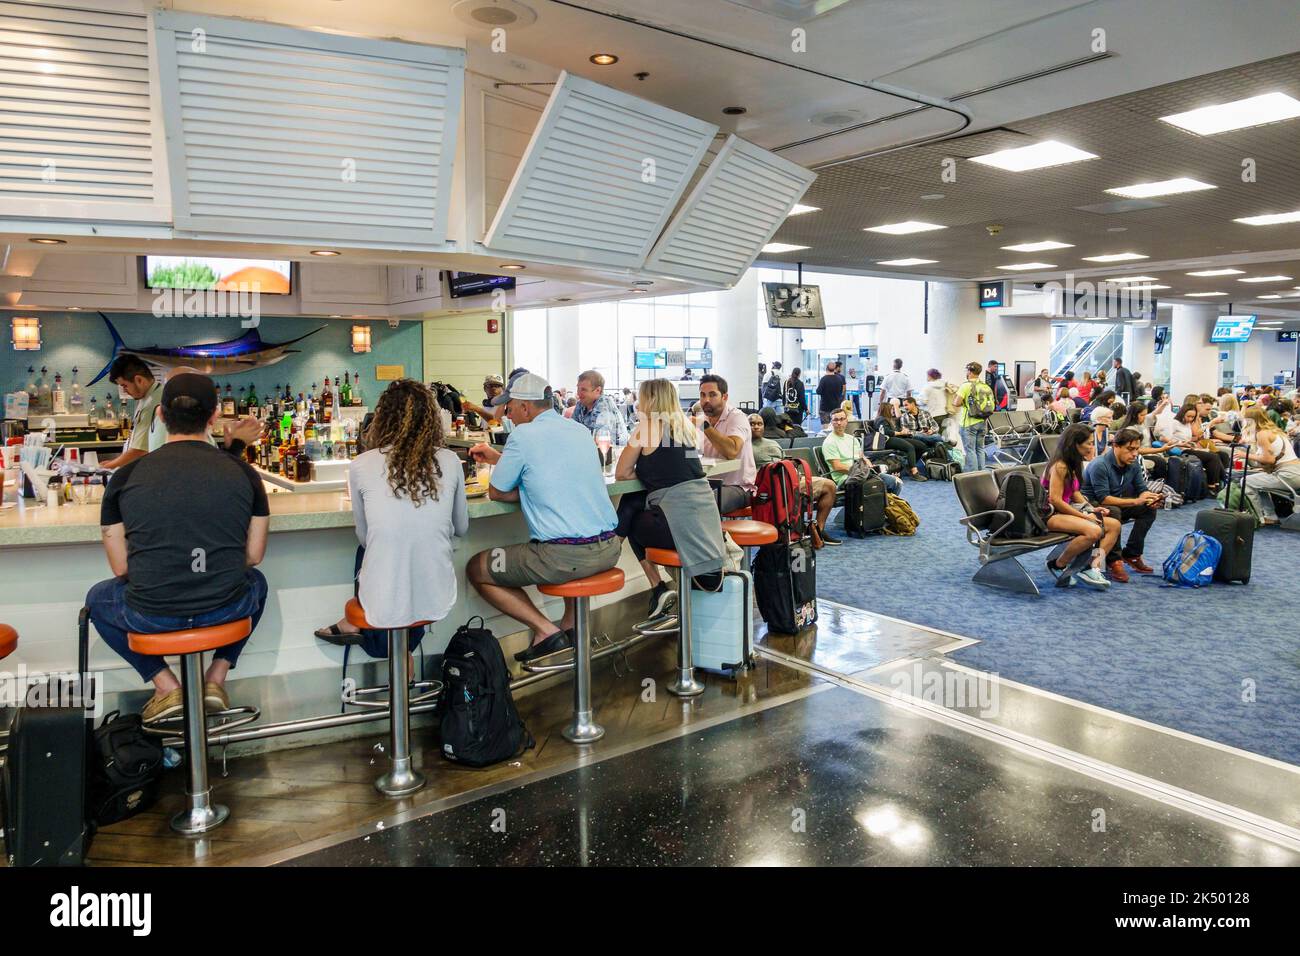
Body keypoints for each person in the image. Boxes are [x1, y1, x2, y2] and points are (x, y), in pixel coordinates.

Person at [86, 373, 270, 724]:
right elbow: (253, 556)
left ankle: (165, 684)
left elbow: (121, 569)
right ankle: (214, 679)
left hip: (151, 615)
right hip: (225, 609)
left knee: (98, 598)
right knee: (256, 583)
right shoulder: (244, 474)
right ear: (214, 416)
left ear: (159, 415)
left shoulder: (125, 478)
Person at [466, 373, 621, 663]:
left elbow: (497, 492)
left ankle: (546, 632)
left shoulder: (523, 435)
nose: (506, 412)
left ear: (525, 407)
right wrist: (501, 460)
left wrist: (523, 488)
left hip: (564, 558)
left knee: (477, 568)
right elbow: (550, 472)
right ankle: (571, 627)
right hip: (609, 550)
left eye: (510, 405)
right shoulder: (577, 430)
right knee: (572, 550)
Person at [314, 381, 468, 654]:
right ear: (431, 419)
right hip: (437, 594)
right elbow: (462, 528)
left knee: (371, 550)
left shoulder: (360, 465)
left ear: (382, 419)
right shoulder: (450, 461)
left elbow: (364, 537)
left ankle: (383, 646)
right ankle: (404, 658)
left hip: (381, 602)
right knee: (412, 549)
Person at [615, 379, 709, 620]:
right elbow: (687, 467)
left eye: (640, 397)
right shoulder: (686, 428)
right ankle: (659, 590)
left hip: (674, 526)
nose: (637, 402)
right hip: (703, 522)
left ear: (651, 400)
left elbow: (622, 473)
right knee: (636, 502)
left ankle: (656, 587)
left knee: (632, 512)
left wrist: (648, 472)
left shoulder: (646, 428)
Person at [1042, 423, 1119, 590]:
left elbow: (1075, 493)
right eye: (1089, 443)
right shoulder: (1060, 466)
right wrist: (1086, 516)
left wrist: (1091, 508)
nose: (1092, 447)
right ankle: (1058, 564)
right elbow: (1055, 500)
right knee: (1094, 530)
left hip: (1063, 511)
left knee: (1114, 526)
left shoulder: (1073, 463)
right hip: (1049, 514)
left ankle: (1093, 566)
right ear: (1075, 444)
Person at [1081, 427, 1160, 581]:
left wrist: (1149, 498)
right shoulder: (1100, 465)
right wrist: (1136, 500)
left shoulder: (1133, 464)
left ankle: (1132, 554)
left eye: (1137, 449)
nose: (1135, 454)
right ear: (1116, 446)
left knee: (1148, 510)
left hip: (1113, 505)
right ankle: (1113, 561)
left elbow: (1142, 489)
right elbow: (1104, 499)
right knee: (1114, 511)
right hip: (1092, 508)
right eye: (1130, 449)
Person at [747, 413, 840, 544]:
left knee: (829, 486)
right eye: (752, 424)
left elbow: (784, 460)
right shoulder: (743, 446)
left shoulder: (773, 443)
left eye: (759, 424)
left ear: (764, 426)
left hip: (791, 480)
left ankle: (818, 530)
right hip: (770, 486)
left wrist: (794, 470)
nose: (756, 427)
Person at [694, 373, 757, 513]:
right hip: (707, 483)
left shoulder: (736, 417)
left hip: (738, 487)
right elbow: (692, 451)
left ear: (725, 397)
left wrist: (704, 427)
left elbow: (732, 451)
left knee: (703, 506)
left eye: (712, 395)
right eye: (702, 395)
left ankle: (716, 535)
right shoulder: (702, 419)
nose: (706, 400)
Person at [99, 355, 161, 470]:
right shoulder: (147, 398)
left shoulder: (153, 404)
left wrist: (108, 466)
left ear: (139, 380)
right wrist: (115, 462)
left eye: (124, 385)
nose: (124, 391)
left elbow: (140, 450)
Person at [1241, 406, 1300, 525]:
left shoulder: (1262, 434)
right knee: (1258, 483)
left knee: (1245, 481)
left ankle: (1259, 518)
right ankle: (1270, 516)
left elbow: (1269, 459)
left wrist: (1245, 455)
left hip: (1288, 475)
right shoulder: (1275, 431)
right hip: (1294, 472)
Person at [821, 409, 903, 495]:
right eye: (835, 420)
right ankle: (879, 507)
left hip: (862, 474)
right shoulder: (830, 442)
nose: (839, 423)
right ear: (831, 422)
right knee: (885, 484)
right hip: (848, 478)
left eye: (842, 419)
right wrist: (864, 471)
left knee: (896, 483)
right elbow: (837, 467)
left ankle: (884, 507)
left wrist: (871, 468)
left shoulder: (851, 439)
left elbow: (862, 458)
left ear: (846, 421)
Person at [1153, 397, 1225, 492]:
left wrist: (1192, 442)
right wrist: (1181, 444)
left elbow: (1189, 438)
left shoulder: (1187, 424)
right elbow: (1163, 438)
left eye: (1192, 417)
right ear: (1182, 414)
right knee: (1213, 457)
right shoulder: (1174, 423)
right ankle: (1214, 485)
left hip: (1188, 447)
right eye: (1188, 416)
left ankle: (1219, 483)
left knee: (1219, 455)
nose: (1190, 419)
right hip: (1181, 450)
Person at [871, 402, 928, 481]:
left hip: (894, 438)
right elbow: (886, 432)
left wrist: (903, 432)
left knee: (921, 446)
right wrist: (901, 433)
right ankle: (914, 472)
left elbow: (894, 431)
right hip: (886, 441)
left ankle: (909, 464)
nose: (893, 411)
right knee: (910, 447)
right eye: (892, 409)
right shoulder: (880, 419)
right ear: (887, 410)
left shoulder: (889, 419)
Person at [571, 369, 629, 444]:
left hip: (612, 453)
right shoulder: (581, 404)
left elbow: (598, 442)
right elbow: (571, 430)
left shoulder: (604, 408)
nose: (578, 393)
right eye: (578, 388)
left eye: (583, 390)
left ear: (598, 390)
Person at [956, 361, 995, 472]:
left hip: (968, 423)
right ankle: (982, 473)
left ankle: (973, 475)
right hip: (983, 421)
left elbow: (956, 403)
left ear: (969, 371)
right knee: (980, 449)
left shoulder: (965, 386)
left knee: (970, 450)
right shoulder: (985, 386)